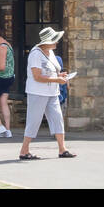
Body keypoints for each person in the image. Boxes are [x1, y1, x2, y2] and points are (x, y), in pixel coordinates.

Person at [18, 26, 74, 159]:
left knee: (57, 119)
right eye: (54, 40)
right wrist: (57, 79)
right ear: (46, 42)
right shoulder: (35, 54)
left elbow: (52, 71)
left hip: (52, 92)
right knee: (34, 120)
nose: (57, 42)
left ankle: (62, 149)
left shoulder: (50, 52)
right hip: (37, 92)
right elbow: (37, 76)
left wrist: (61, 75)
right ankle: (24, 150)